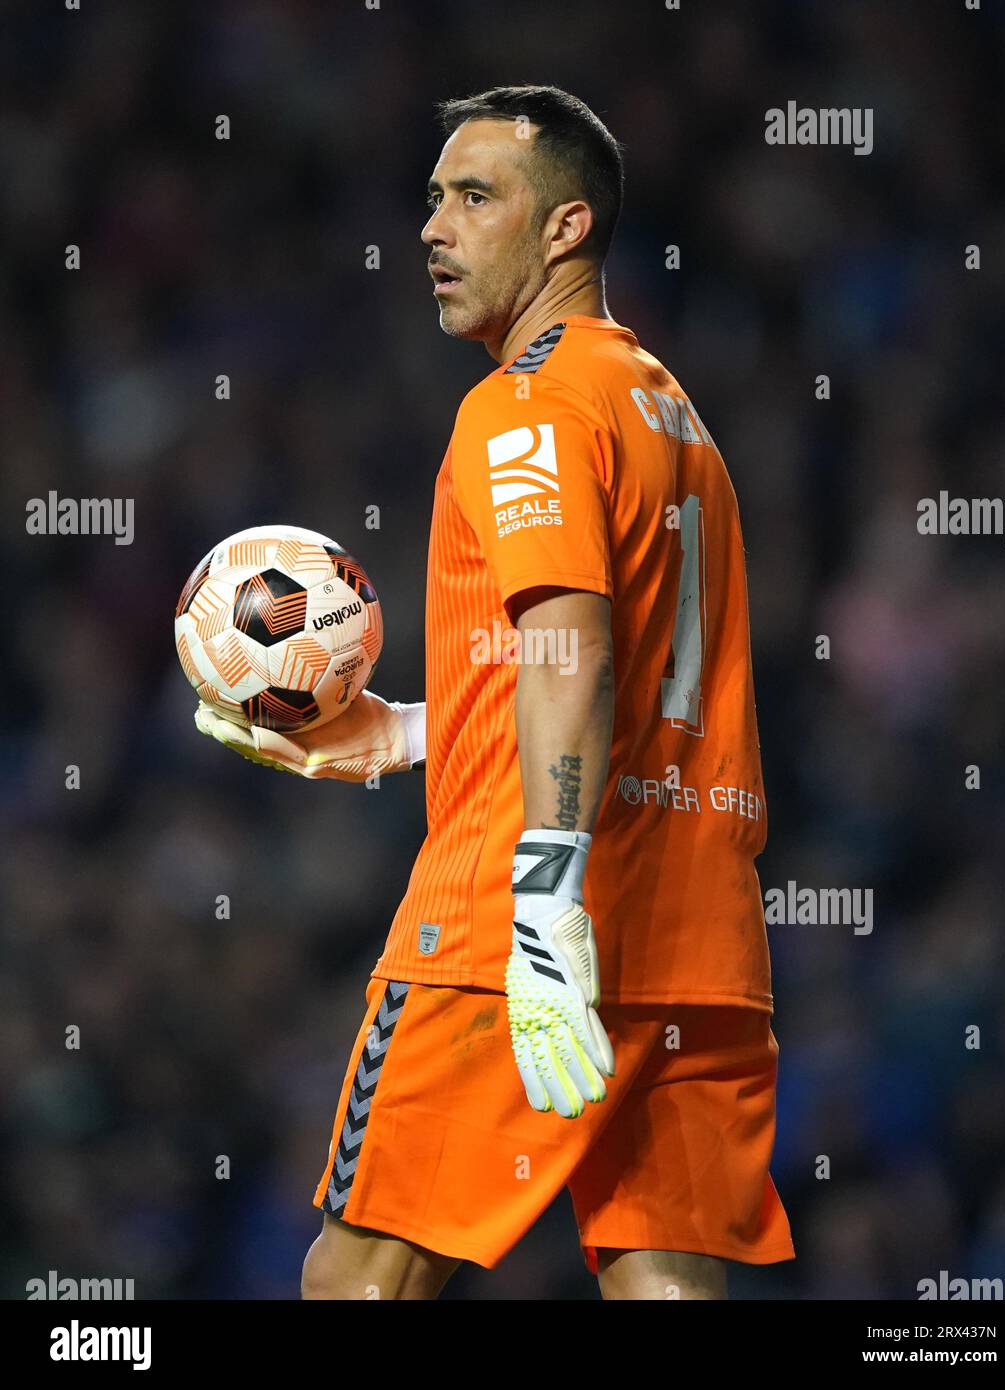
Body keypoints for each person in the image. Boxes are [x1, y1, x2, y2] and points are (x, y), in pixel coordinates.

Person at [197, 84, 794, 1300]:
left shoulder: (521, 406)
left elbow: (571, 647)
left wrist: (543, 905)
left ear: (566, 228)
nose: (432, 226)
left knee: (361, 1274)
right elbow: (611, 674)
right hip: (696, 938)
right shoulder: (674, 415)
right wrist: (407, 733)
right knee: (666, 1282)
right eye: (430, 199)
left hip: (509, 923)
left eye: (476, 197)